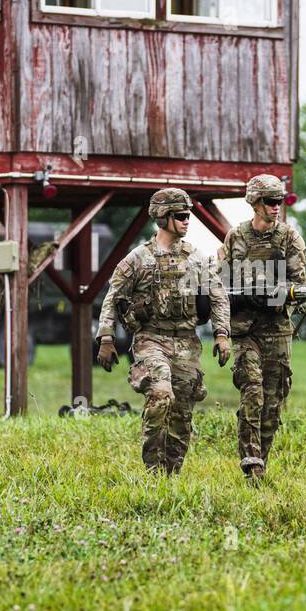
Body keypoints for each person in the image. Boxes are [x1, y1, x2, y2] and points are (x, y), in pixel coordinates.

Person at [96, 189, 231, 475]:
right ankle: (153, 471)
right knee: (161, 395)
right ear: (163, 217)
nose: (186, 221)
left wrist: (222, 334)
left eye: (188, 215)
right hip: (150, 339)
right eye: (180, 216)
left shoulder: (197, 258)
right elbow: (113, 296)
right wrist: (106, 337)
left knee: (182, 411)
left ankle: (170, 476)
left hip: (186, 342)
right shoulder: (138, 259)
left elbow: (218, 296)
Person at [221, 175, 306, 480]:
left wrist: (277, 294)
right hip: (245, 330)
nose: (276, 207)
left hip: (277, 330)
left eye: (280, 201)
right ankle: (251, 461)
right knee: (252, 391)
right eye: (270, 202)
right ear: (255, 203)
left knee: (273, 402)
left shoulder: (289, 238)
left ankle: (261, 459)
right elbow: (223, 281)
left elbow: (299, 284)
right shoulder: (236, 237)